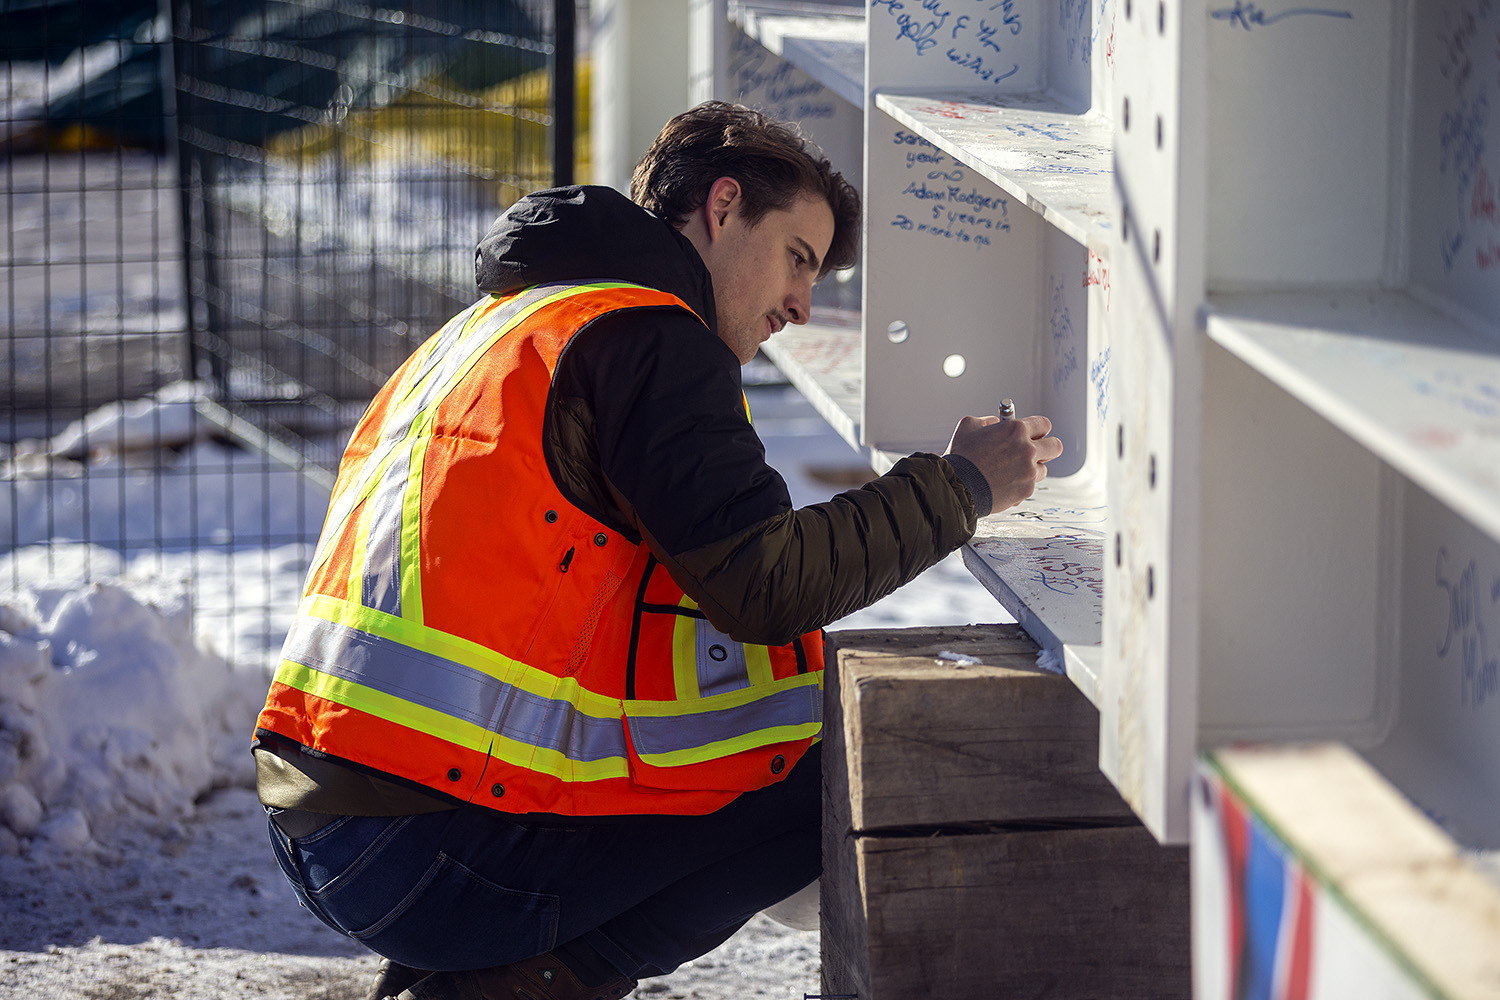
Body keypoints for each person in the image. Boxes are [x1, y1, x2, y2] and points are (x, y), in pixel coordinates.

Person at [252, 101, 1063, 1000]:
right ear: (722, 207)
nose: (802, 303)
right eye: (798, 258)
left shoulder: (508, 322)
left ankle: (476, 965)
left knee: (771, 730)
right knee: (847, 762)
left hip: (325, 823)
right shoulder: (651, 338)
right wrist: (960, 488)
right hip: (431, 848)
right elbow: (763, 583)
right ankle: (506, 984)